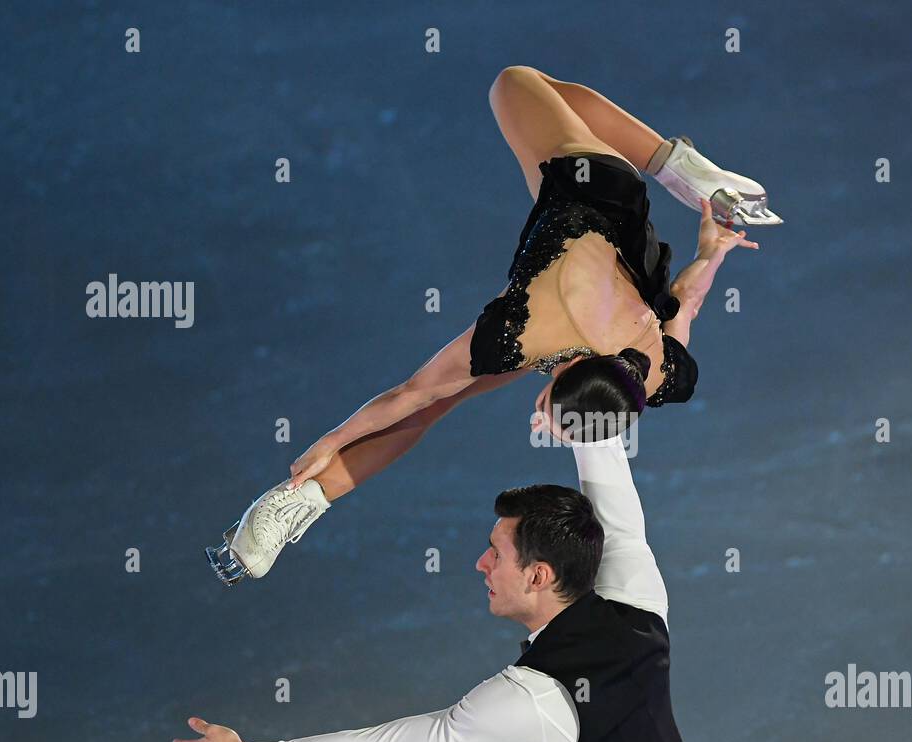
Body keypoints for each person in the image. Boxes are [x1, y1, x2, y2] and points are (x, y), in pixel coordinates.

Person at [206, 65, 778, 585]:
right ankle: (687, 169)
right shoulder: (527, 332)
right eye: (548, 404)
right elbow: (409, 391)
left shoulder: (642, 374)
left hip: (611, 268)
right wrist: (330, 438)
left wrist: (712, 251)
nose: (538, 414)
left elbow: (687, 301)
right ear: (567, 368)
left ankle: (294, 506)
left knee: (541, 89)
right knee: (514, 84)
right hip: (594, 189)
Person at [176, 415, 767, 742]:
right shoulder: (637, 602)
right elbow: (612, 489)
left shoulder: (528, 701)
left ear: (538, 576)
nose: (481, 564)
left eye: (497, 554)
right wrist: (580, 401)